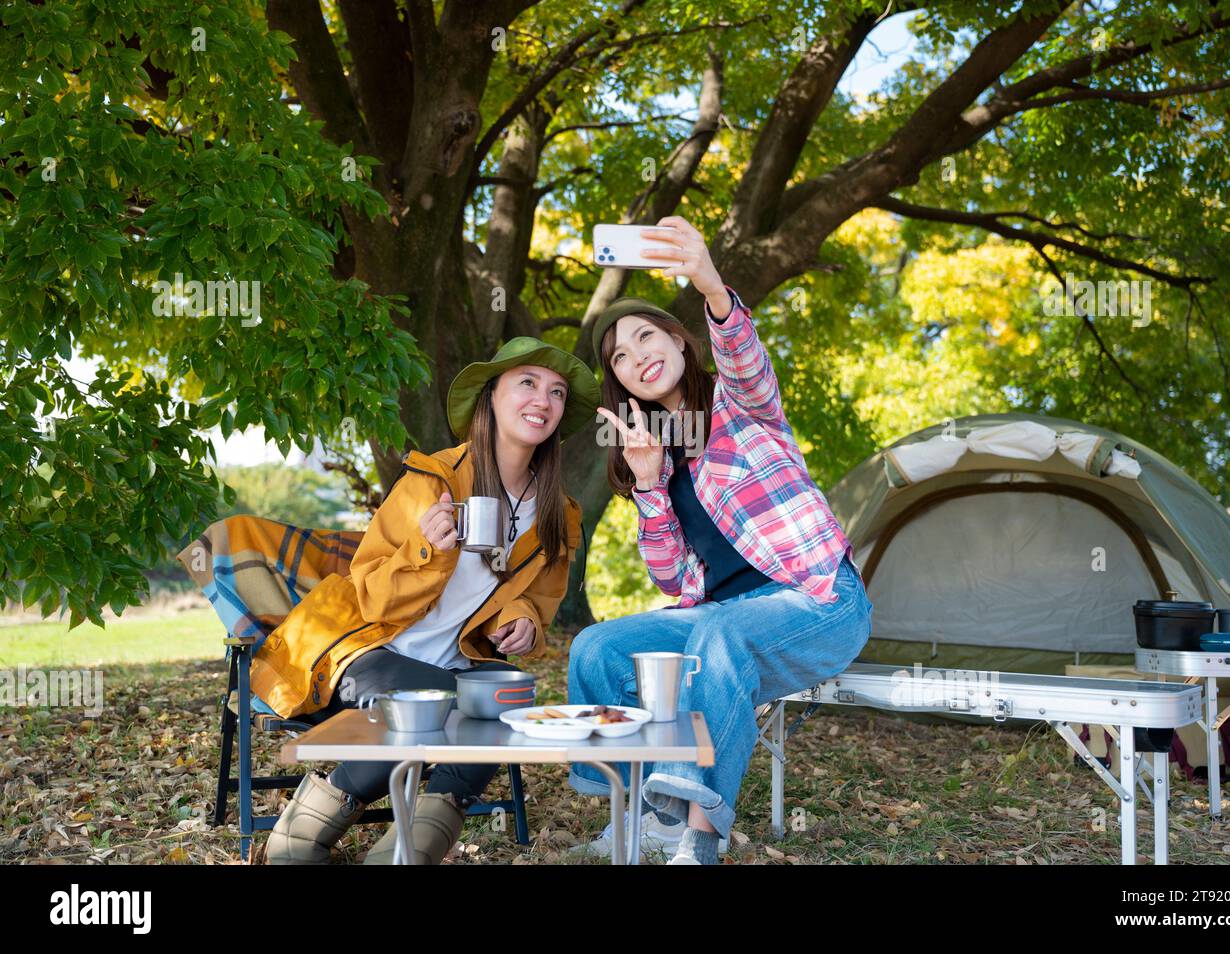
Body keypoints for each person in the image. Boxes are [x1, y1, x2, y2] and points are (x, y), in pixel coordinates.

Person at [568, 216, 873, 865]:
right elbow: (674, 583)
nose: (634, 356)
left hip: (819, 601)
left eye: (645, 336)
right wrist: (649, 486)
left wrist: (709, 282)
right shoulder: (657, 457)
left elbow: (742, 353)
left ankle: (700, 838)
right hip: (718, 619)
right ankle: (643, 812)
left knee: (717, 636)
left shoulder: (742, 407)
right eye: (619, 356)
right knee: (597, 649)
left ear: (680, 340)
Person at [258, 337, 598, 864]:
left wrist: (524, 620)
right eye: (527, 383)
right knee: (436, 704)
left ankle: (402, 855)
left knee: (501, 710)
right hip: (361, 650)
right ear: (489, 398)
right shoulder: (431, 479)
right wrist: (426, 549)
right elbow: (369, 594)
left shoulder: (558, 512)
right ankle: (296, 842)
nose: (544, 400)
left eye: (556, 392)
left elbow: (535, 598)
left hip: (456, 666)